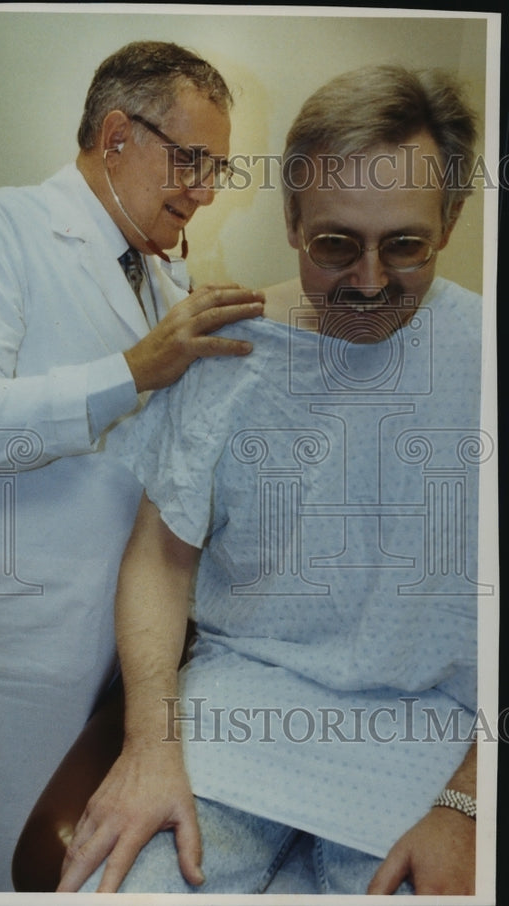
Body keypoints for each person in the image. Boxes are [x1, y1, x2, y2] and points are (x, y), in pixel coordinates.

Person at [56, 64, 485, 896]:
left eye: (404, 245)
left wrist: (466, 802)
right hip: (236, 717)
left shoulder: (486, 361)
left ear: (451, 221)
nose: (367, 283)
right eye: (335, 244)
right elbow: (160, 558)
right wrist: (149, 747)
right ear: (290, 219)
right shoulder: (230, 349)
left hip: (427, 739)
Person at [0, 40, 265, 892]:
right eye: (192, 161)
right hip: (14, 658)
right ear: (116, 134)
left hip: (121, 654)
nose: (204, 191)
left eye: (218, 170)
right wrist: (131, 372)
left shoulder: (160, 278)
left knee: (81, 873)